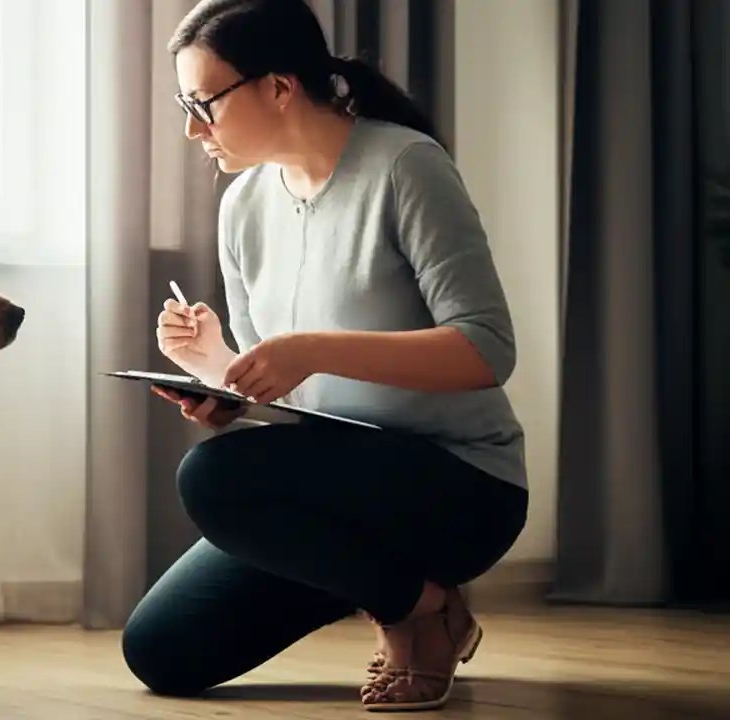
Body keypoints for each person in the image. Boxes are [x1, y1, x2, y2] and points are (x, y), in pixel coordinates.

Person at [121, 0, 529, 713]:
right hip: (342, 490)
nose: (193, 128)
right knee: (161, 651)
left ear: (279, 86)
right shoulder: (242, 204)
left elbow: (487, 350)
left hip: (461, 485)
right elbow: (291, 406)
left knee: (210, 480)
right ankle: (428, 599)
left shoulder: (406, 166)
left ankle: (414, 617)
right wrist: (216, 369)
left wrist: (310, 349)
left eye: (203, 103)